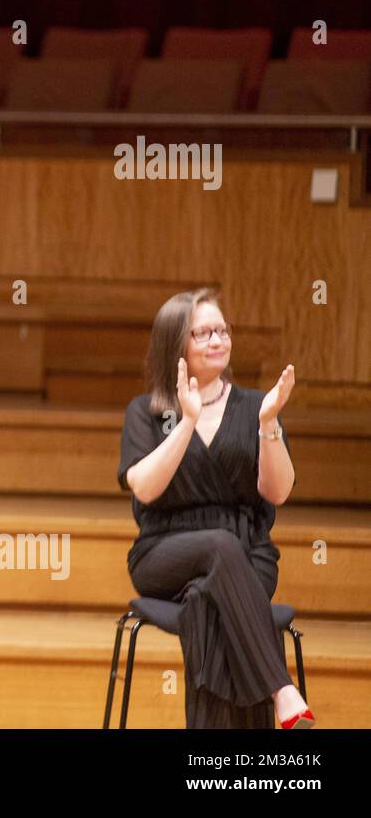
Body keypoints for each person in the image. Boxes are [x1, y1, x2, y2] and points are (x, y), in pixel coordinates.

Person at [118, 287, 312, 728]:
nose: (217, 340)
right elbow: (145, 489)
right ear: (176, 344)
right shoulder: (147, 412)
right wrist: (186, 421)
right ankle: (280, 688)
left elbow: (277, 492)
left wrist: (268, 426)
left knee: (208, 603)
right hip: (163, 555)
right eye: (203, 333)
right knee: (218, 549)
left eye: (222, 330)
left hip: (249, 557)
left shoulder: (255, 406)